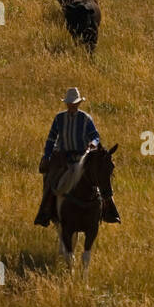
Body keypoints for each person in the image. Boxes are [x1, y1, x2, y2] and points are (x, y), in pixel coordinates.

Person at [34, 87, 101, 227]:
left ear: (78, 104)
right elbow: (51, 139)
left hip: (82, 156)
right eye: (70, 104)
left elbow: (95, 136)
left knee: (100, 177)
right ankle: (45, 212)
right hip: (62, 156)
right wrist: (47, 156)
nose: (72, 106)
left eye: (74, 103)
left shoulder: (85, 119)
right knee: (49, 179)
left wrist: (93, 144)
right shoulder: (59, 118)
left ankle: (107, 210)